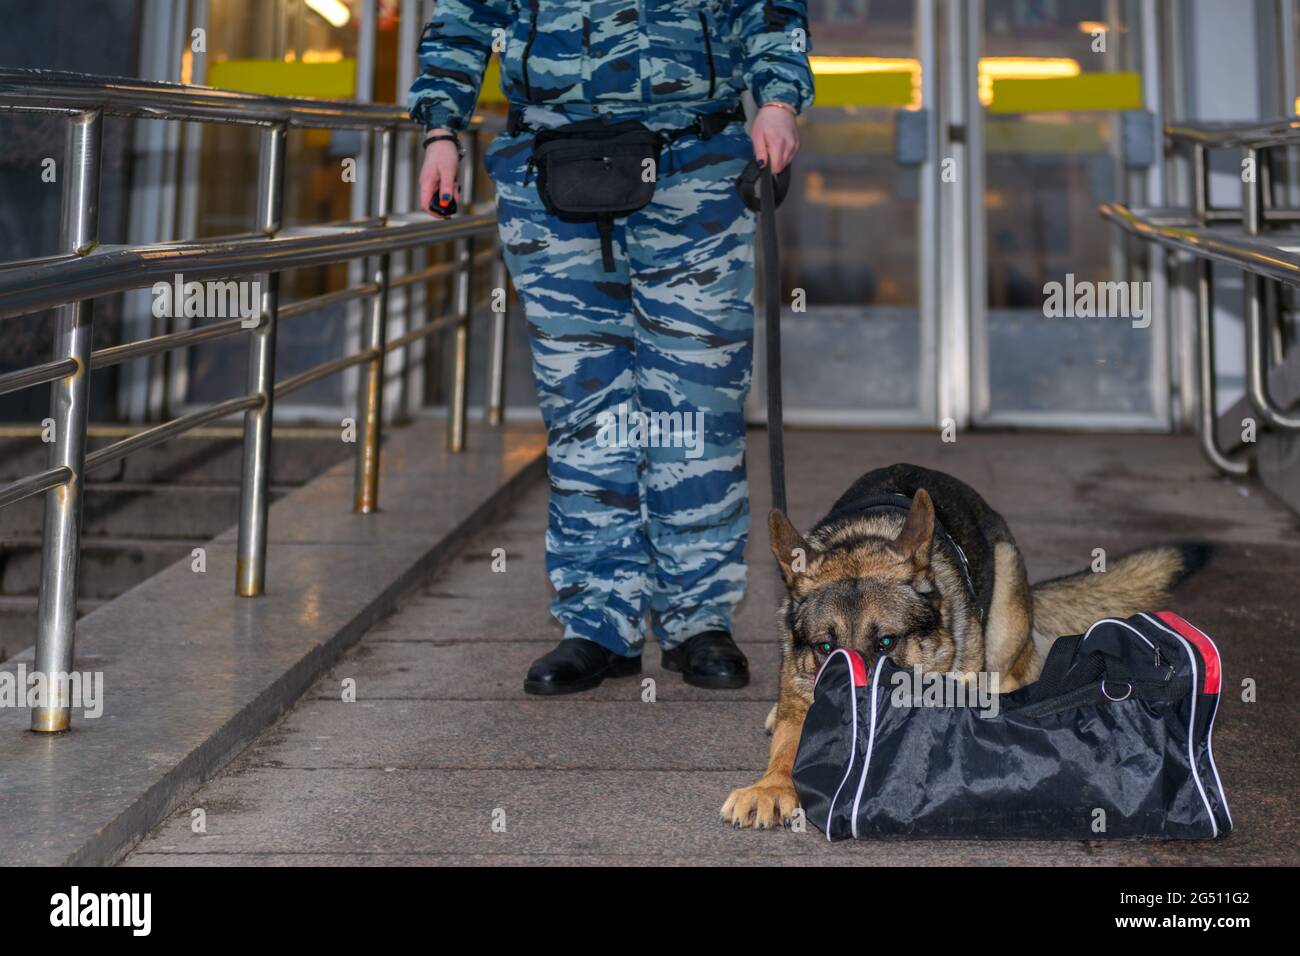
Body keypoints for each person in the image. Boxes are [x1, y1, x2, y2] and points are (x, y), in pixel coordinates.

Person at [409, 2, 813, 695]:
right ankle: (598, 624)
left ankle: (697, 621)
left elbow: (767, 9)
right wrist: (439, 130)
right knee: (584, 407)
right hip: (554, 178)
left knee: (697, 403)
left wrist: (778, 99)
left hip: (694, 175)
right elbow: (464, 18)